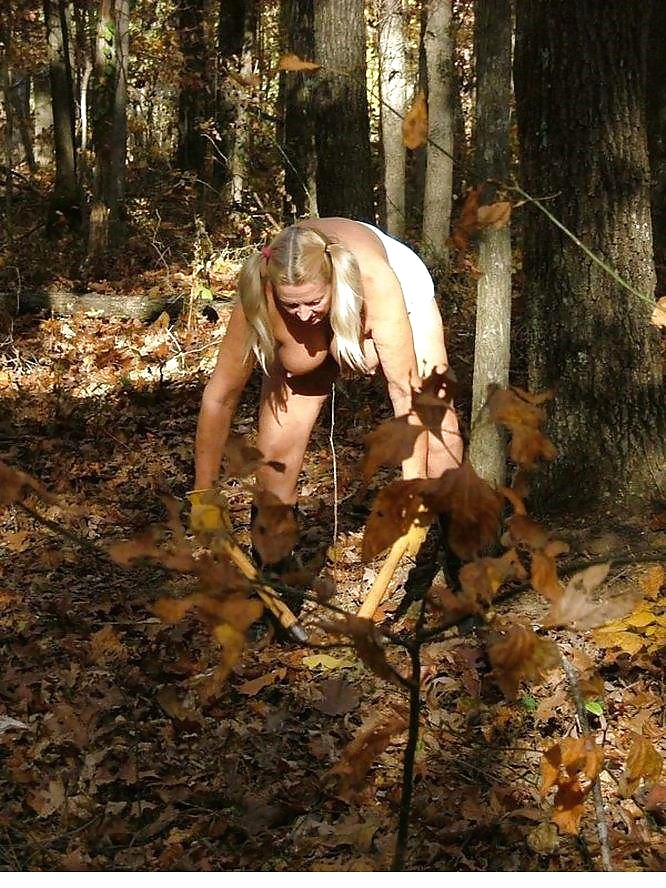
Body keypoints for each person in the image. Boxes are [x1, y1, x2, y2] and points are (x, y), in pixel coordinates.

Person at [192, 218, 463, 554]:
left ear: (332, 284)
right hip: (328, 294)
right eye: (292, 305)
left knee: (437, 421)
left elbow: (407, 394)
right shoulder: (260, 294)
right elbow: (220, 396)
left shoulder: (377, 281)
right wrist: (203, 495)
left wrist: (413, 491)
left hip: (389, 282)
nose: (304, 315)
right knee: (275, 455)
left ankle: (459, 558)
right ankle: (275, 575)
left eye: (313, 302)